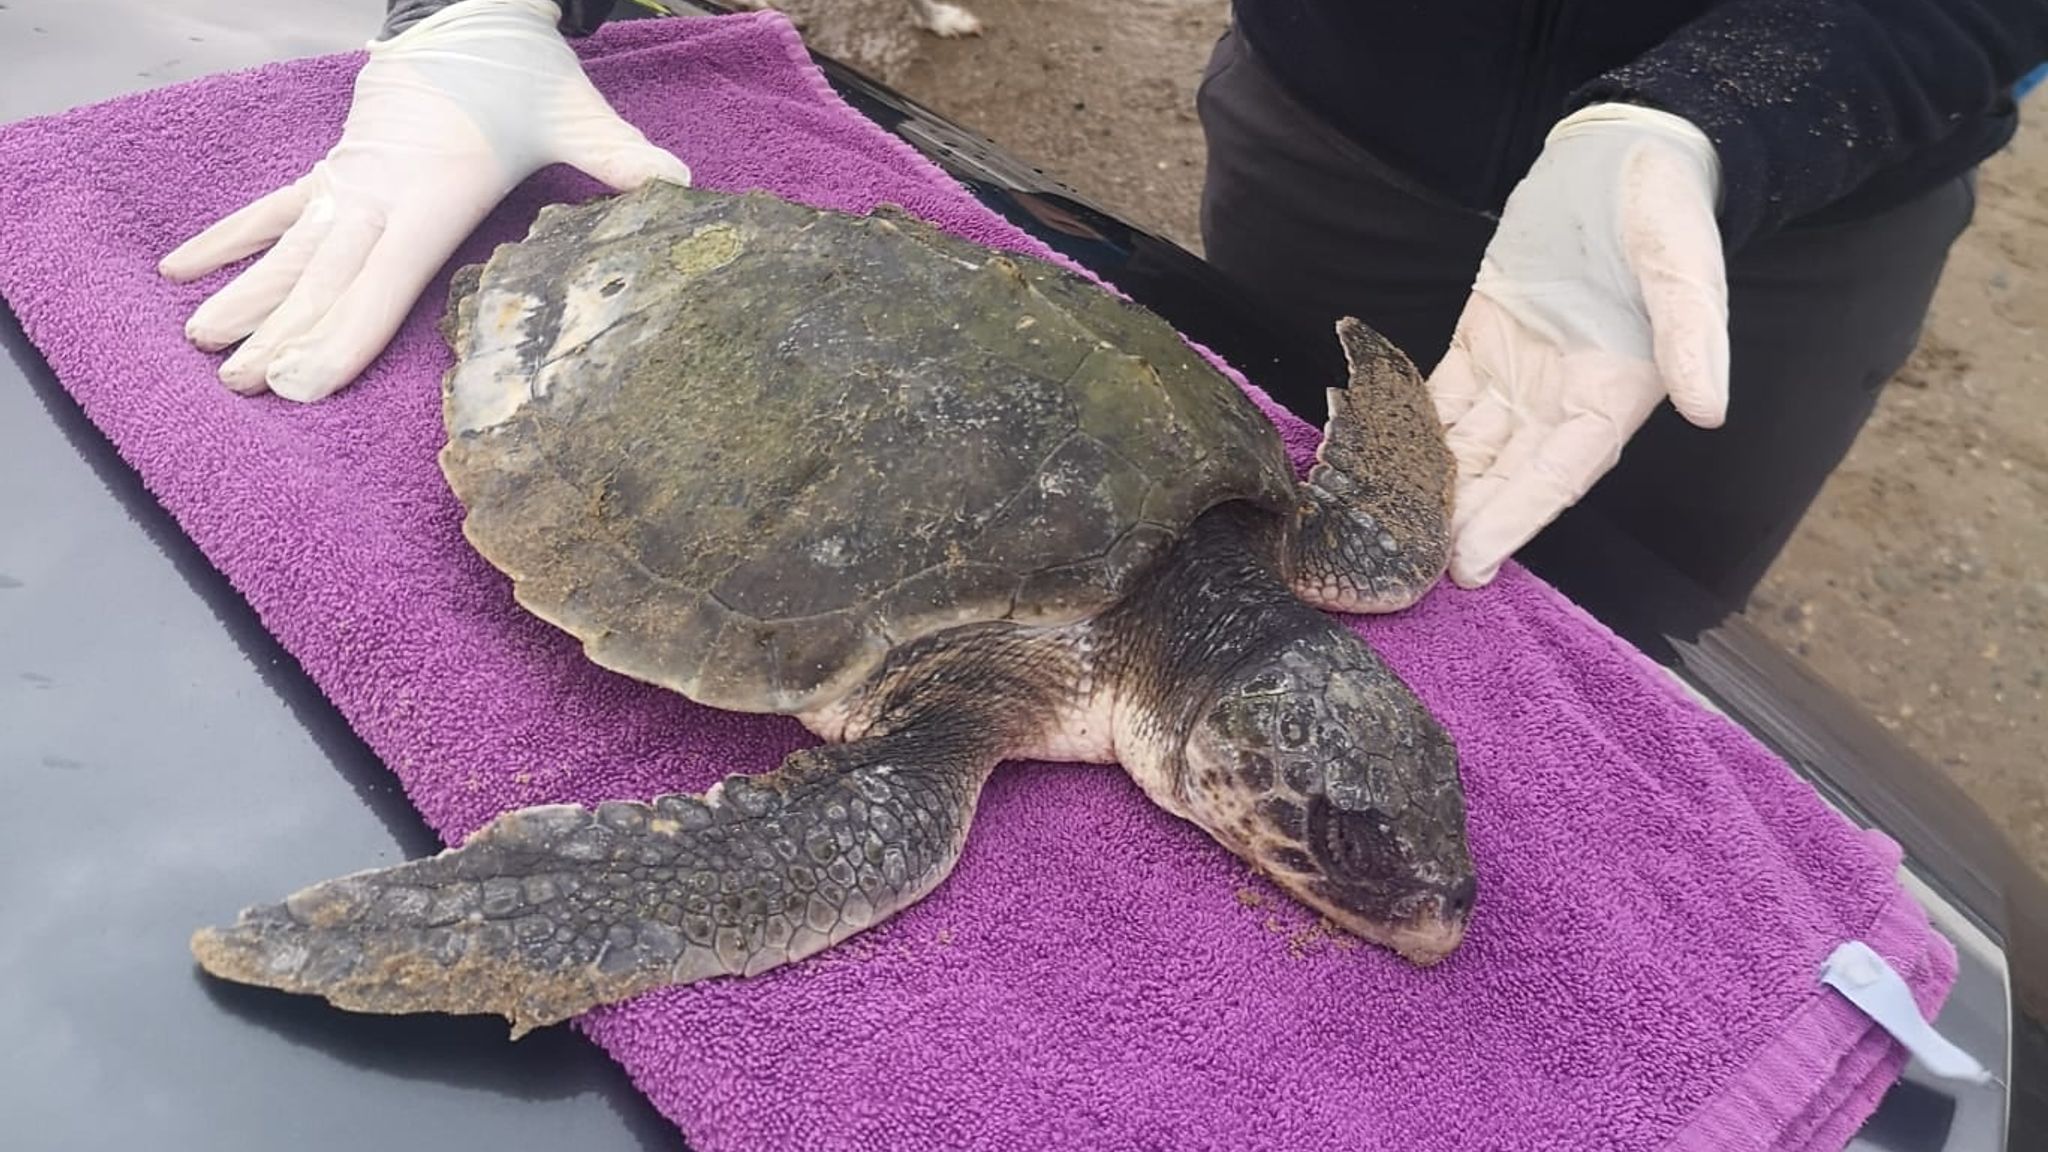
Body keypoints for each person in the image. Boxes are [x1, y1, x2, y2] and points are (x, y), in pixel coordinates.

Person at [160, 0, 2048, 608]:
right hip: (1348, 100)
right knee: (1303, 505)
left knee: (1625, 608)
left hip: (1776, 184)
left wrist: (1722, 118)